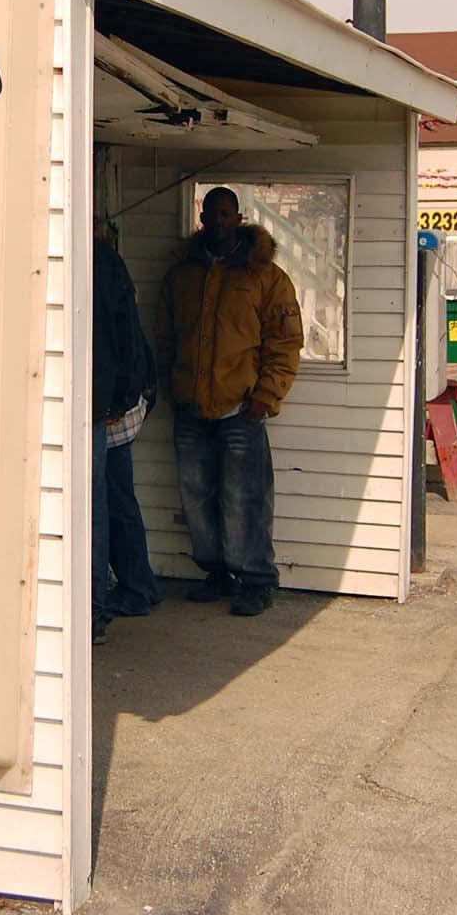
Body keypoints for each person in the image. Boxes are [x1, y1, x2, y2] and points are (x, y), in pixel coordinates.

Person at [160, 187, 302, 616]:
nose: (219, 220)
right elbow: (165, 334)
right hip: (190, 407)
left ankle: (255, 581)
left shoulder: (266, 276)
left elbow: (285, 342)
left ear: (239, 219)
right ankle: (216, 573)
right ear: (202, 218)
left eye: (227, 213)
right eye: (212, 213)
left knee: (245, 498)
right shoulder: (183, 274)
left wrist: (266, 395)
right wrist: (170, 384)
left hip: (241, 408)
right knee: (196, 496)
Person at [91, 224, 160, 642]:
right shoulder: (109, 263)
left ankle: (104, 603)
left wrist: (118, 399)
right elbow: (128, 336)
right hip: (115, 397)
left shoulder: (97, 263)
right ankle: (136, 586)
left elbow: (122, 337)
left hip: (105, 403)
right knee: (115, 498)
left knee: (101, 503)